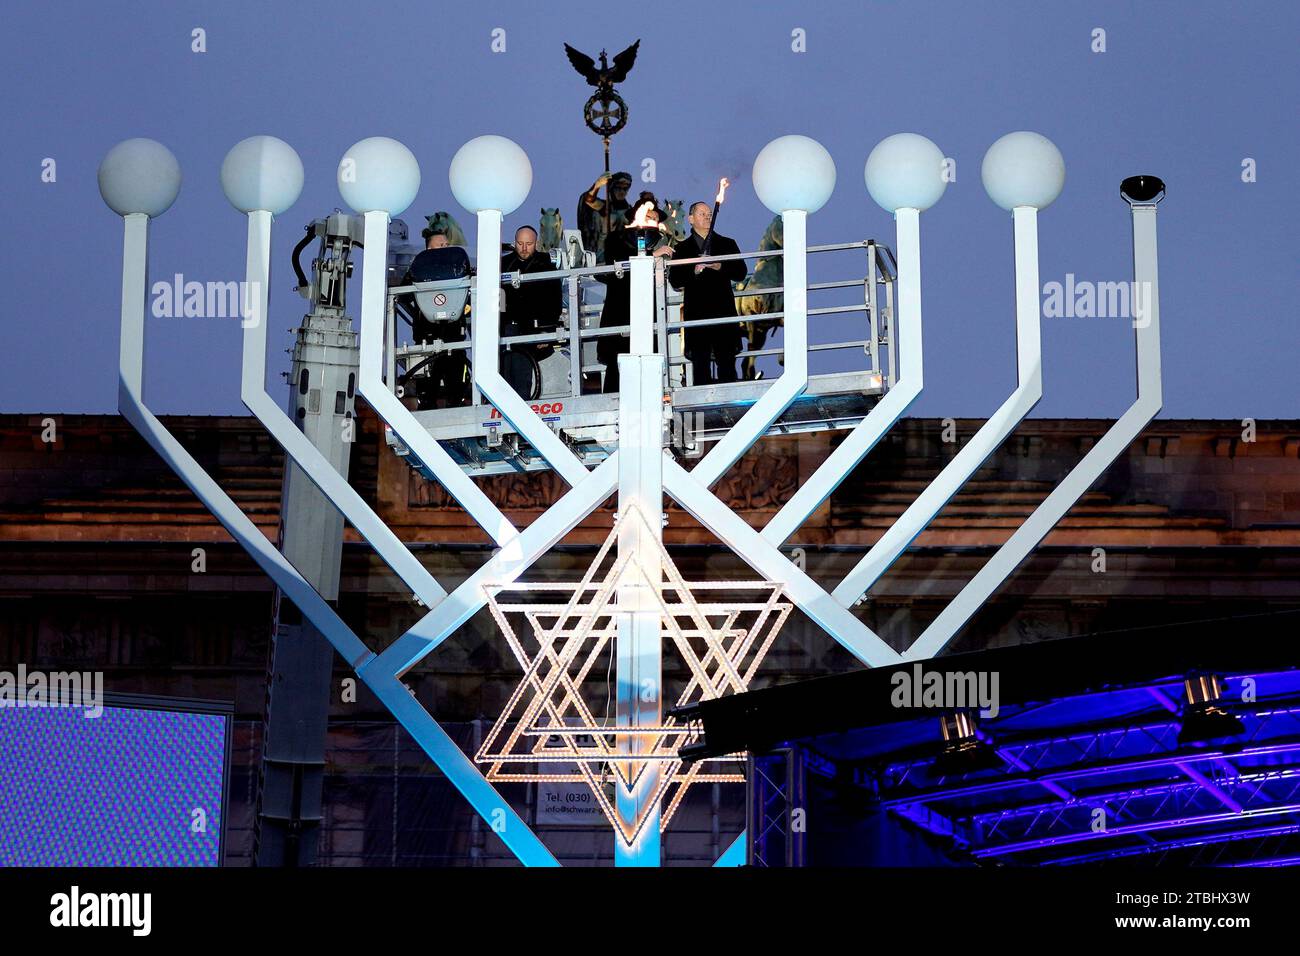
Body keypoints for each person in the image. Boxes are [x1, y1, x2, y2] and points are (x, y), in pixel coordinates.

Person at [595, 196, 674, 393]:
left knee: (649, 369)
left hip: (651, 314)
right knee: (617, 367)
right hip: (621, 310)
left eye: (655, 217)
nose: (652, 220)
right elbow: (620, 265)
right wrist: (653, 256)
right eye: (648, 216)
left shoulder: (661, 241)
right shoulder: (617, 239)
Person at [670, 202, 748, 386]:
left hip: (723, 311)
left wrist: (720, 266)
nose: (707, 217)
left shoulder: (727, 243)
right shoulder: (682, 249)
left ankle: (730, 404)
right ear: (690, 219)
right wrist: (694, 270)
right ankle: (703, 410)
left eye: (709, 213)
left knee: (727, 364)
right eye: (702, 213)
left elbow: (741, 273)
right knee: (700, 365)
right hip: (697, 313)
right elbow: (675, 280)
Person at [499, 225, 563, 400]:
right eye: (520, 243)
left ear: (536, 243)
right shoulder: (503, 264)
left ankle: (519, 407)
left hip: (532, 331)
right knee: (504, 372)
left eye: (529, 243)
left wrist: (546, 331)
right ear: (514, 243)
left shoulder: (546, 266)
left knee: (520, 376)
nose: (524, 248)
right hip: (506, 330)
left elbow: (554, 303)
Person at [578, 171, 632, 262]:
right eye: (618, 188)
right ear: (612, 188)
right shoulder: (604, 207)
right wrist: (597, 184)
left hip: (624, 255)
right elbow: (588, 200)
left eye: (625, 188)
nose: (622, 191)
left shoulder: (630, 211)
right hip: (603, 255)